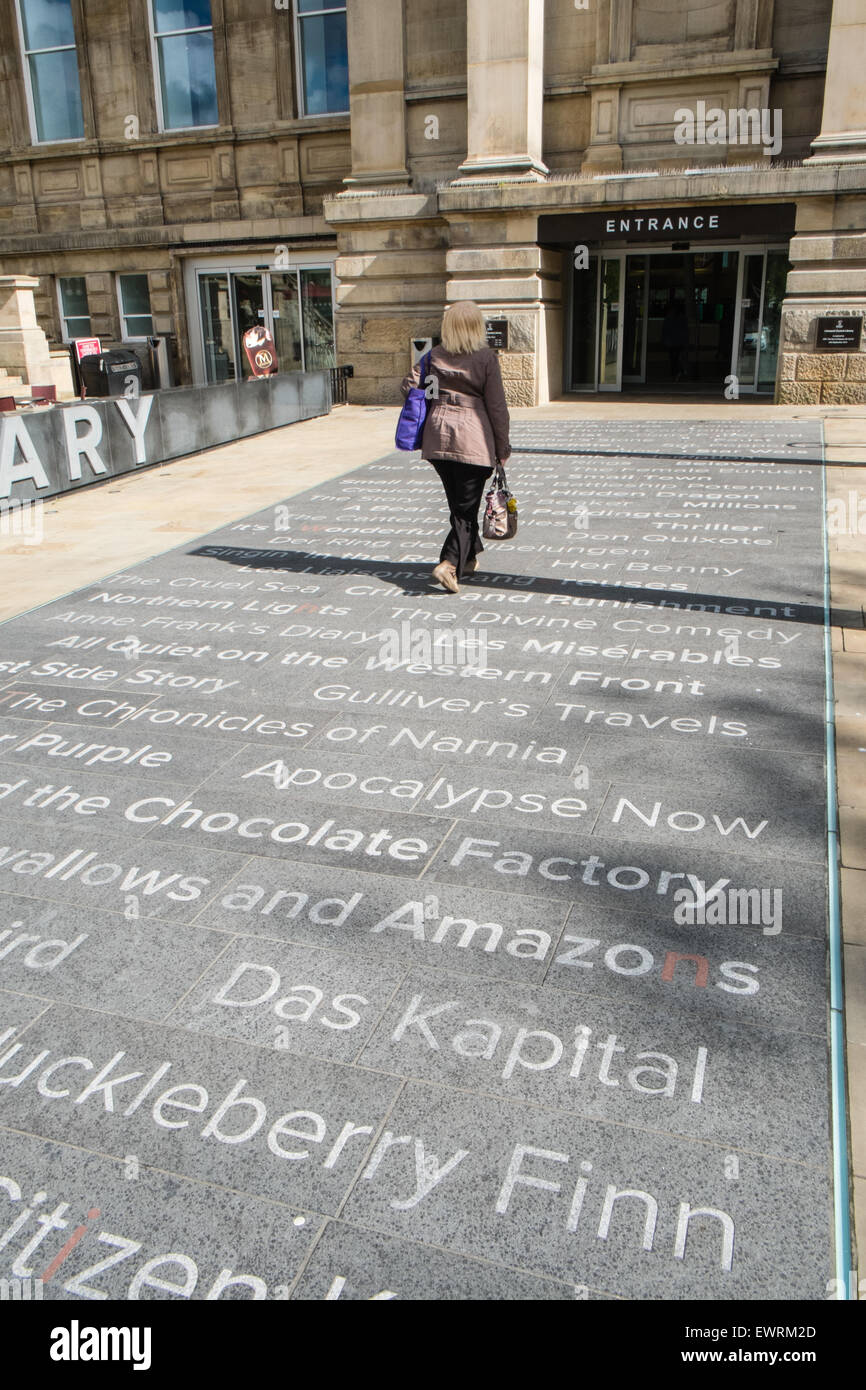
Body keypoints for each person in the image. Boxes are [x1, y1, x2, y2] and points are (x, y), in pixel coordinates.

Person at [401, 302, 511, 593]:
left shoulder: (434, 356)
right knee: (464, 510)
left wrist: (436, 393)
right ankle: (448, 564)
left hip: (437, 439)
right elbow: (497, 407)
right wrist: (503, 447)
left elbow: (408, 386)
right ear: (477, 327)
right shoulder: (486, 358)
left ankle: (469, 557)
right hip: (473, 441)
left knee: (460, 505)